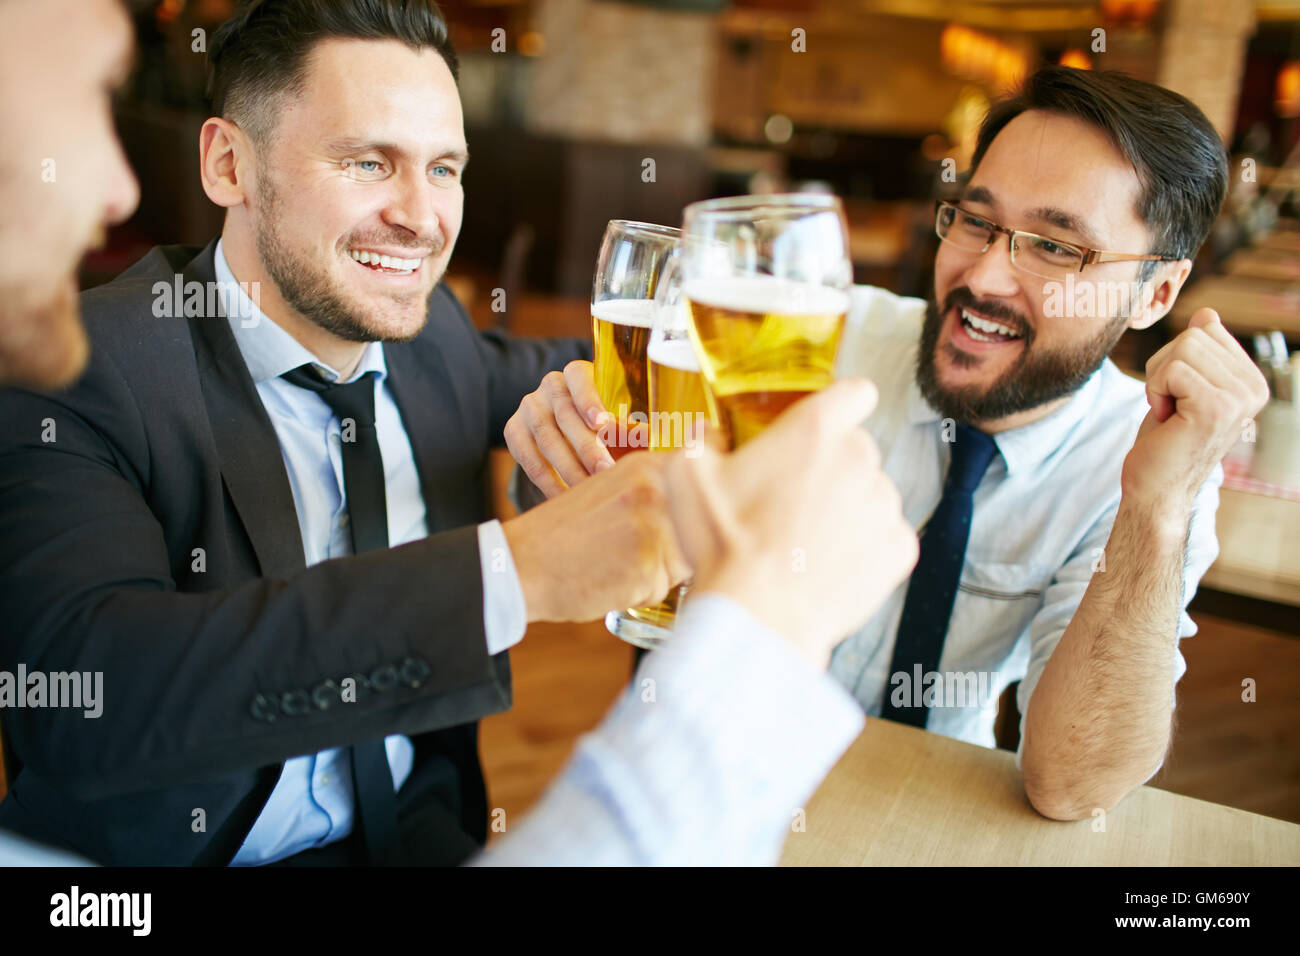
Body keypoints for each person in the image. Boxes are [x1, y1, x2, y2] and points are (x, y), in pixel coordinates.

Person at [0, 0, 916, 866]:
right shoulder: (74, 369)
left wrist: (577, 413)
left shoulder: (433, 339)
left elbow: (586, 377)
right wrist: (521, 572)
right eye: (368, 162)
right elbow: (95, 698)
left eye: (444, 168)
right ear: (229, 165)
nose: (422, 215)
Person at [507, 65, 1270, 822]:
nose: (986, 278)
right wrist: (560, 454)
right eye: (977, 221)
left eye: (1056, 248)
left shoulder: (1146, 464)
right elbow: (629, 493)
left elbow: (1071, 783)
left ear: (1158, 294)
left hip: (925, 807)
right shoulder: (806, 336)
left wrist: (1159, 508)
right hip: (700, 778)